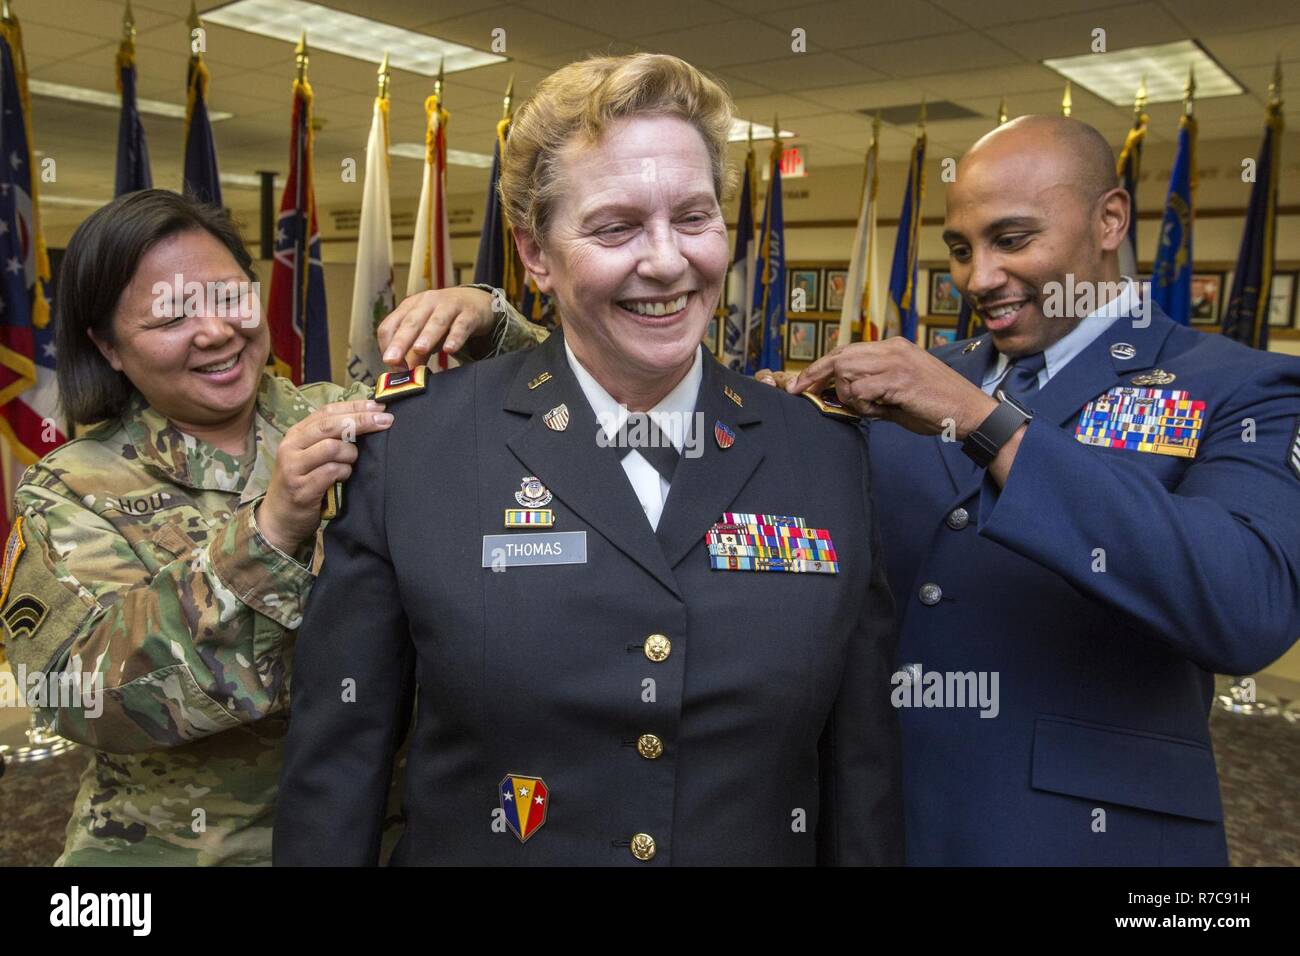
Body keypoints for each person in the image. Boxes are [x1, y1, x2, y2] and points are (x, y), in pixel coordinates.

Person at [273, 52, 903, 866]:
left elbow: (861, 774)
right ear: (535, 254)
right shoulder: (413, 452)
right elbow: (339, 768)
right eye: (616, 227)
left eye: (694, 218)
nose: (668, 261)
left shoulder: (822, 455)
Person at [777, 115, 1300, 865]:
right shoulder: (914, 378)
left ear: (1110, 219)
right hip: (882, 825)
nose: (977, 278)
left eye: (1012, 240)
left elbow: (1248, 606)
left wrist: (981, 420)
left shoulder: (1240, 387)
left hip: (1084, 840)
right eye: (960, 249)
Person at [0, 189, 543, 865]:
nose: (215, 331)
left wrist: (491, 322)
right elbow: (79, 697)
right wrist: (268, 531)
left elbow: (557, 433)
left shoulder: (356, 417)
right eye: (170, 316)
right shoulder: (72, 488)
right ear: (108, 346)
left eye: (229, 297)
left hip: (384, 838)